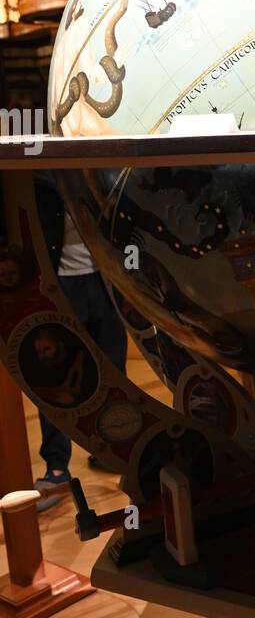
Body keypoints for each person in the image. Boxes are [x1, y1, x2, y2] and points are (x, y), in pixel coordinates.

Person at [34, 174, 128, 510]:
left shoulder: (96, 166)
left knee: (114, 372)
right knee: (53, 376)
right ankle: (56, 468)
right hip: (58, 284)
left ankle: (113, 451)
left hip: (105, 279)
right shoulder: (38, 173)